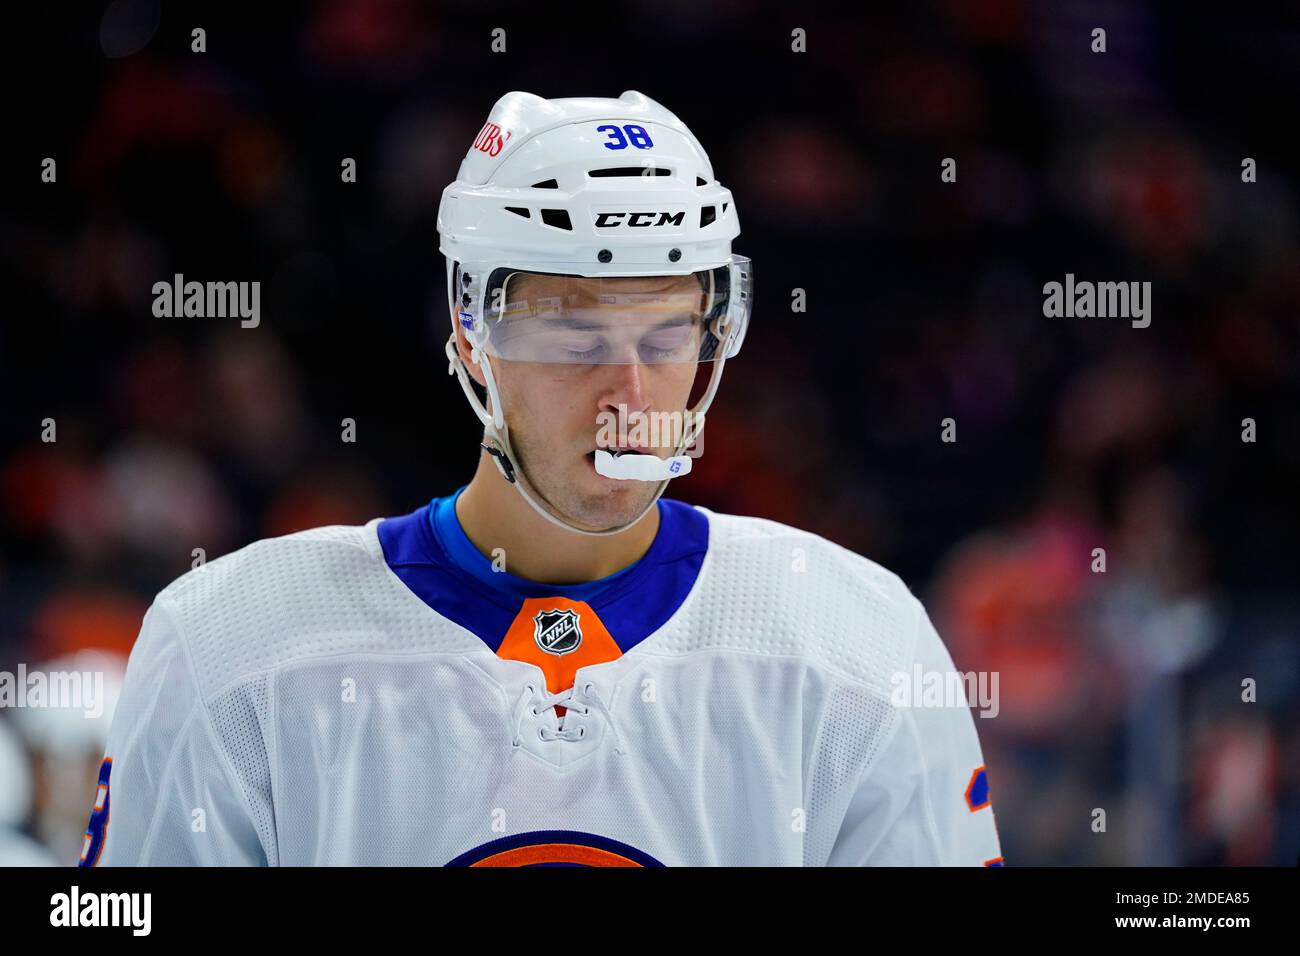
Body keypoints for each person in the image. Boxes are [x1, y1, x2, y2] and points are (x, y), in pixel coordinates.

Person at [82, 90, 1001, 866]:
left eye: (666, 334)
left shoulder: (857, 642)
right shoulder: (230, 644)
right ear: (471, 331)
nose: (630, 394)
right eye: (576, 337)